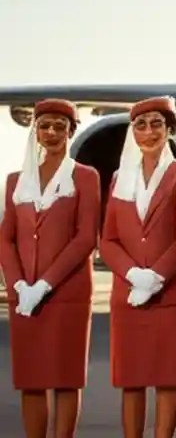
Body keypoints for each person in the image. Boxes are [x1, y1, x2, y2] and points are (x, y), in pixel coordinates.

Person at [0, 98, 100, 438]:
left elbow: (85, 237)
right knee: (31, 379)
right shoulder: (16, 181)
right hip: (24, 295)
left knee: (65, 379)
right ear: (36, 130)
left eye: (60, 126)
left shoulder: (85, 177)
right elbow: (6, 240)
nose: (52, 132)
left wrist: (44, 284)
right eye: (45, 125)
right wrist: (18, 286)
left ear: (71, 132)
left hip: (67, 293)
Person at [99, 96, 176, 438]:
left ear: (169, 130)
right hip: (128, 296)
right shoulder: (119, 179)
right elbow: (107, 240)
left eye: (157, 124)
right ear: (133, 132)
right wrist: (133, 274)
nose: (149, 131)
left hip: (169, 293)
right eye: (141, 124)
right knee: (131, 381)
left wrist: (155, 276)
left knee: (168, 380)